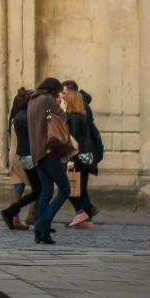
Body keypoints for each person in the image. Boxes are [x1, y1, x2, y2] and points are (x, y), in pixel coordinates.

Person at [25, 77, 73, 244]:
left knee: (46, 190)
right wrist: (63, 107)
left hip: (37, 152)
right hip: (49, 152)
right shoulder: (47, 100)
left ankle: (42, 232)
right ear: (53, 90)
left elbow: (46, 120)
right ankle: (41, 224)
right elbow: (61, 118)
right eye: (58, 92)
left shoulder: (33, 100)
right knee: (65, 189)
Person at [62, 80, 104, 229]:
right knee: (81, 188)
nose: (62, 97)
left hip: (76, 159)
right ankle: (86, 217)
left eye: (64, 94)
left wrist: (70, 160)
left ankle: (84, 212)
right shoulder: (81, 115)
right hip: (85, 157)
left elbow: (73, 141)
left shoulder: (72, 118)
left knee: (70, 188)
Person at [0, 87, 38, 231]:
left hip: (13, 154)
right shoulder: (26, 118)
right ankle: (31, 215)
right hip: (23, 155)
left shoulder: (15, 118)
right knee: (38, 188)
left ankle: (14, 218)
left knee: (19, 187)